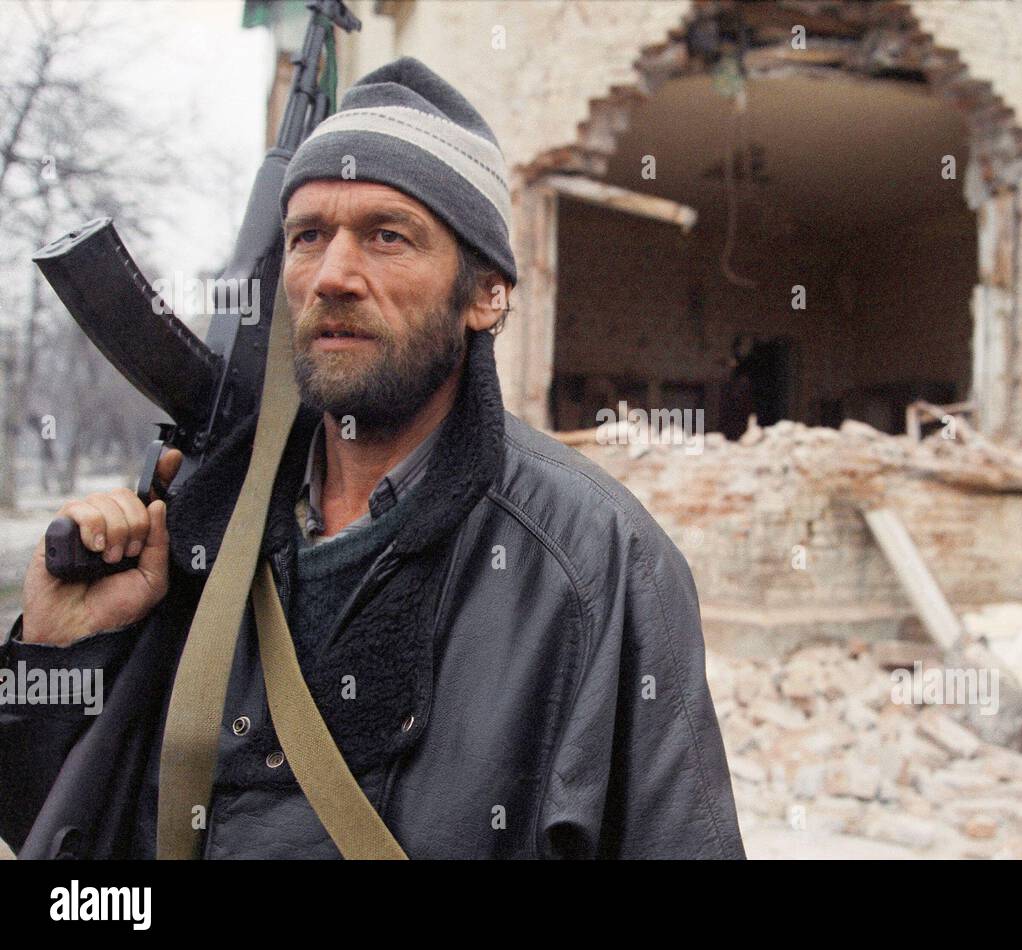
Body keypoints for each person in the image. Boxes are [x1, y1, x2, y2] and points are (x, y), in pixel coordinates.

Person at [0, 57, 746, 860]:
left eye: (387, 236)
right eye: (307, 237)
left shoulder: (597, 563)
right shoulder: (196, 532)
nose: (332, 276)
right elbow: (57, 842)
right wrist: (56, 654)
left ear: (485, 294)